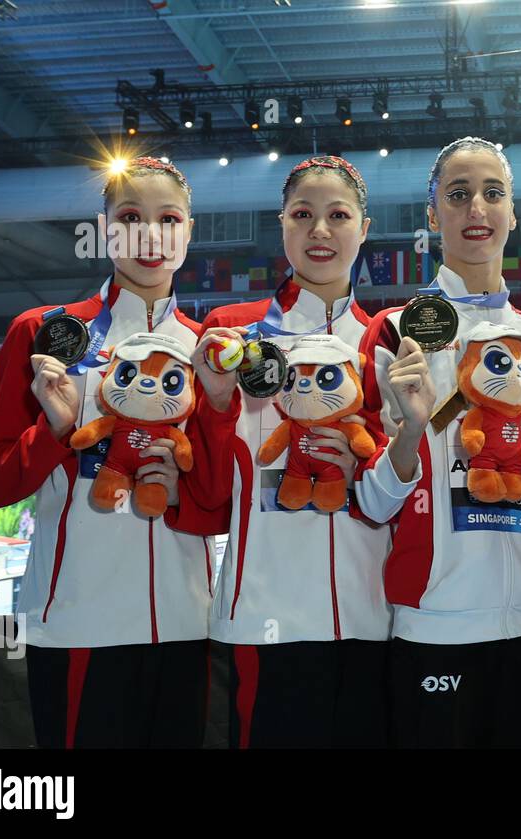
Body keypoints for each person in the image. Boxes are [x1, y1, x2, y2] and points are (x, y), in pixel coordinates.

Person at [0, 157, 222, 747]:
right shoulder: (44, 332)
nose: (150, 236)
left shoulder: (210, 349)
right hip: (78, 622)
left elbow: (218, 492)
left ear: (189, 231)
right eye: (131, 217)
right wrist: (53, 432)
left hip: (184, 625)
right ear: (105, 228)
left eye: (169, 219)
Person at [355, 137, 521, 747]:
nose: (477, 208)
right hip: (436, 618)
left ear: (513, 212)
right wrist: (418, 428)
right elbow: (371, 502)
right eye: (459, 194)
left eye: (493, 194)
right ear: (432, 214)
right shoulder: (393, 332)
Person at [186, 156, 393, 747]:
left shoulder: (383, 340)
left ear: (364, 227)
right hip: (264, 614)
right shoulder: (232, 333)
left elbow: (403, 479)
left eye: (337, 215)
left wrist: (368, 460)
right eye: (303, 215)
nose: (320, 231)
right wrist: (219, 402)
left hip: (368, 612)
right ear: (282, 225)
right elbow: (207, 488)